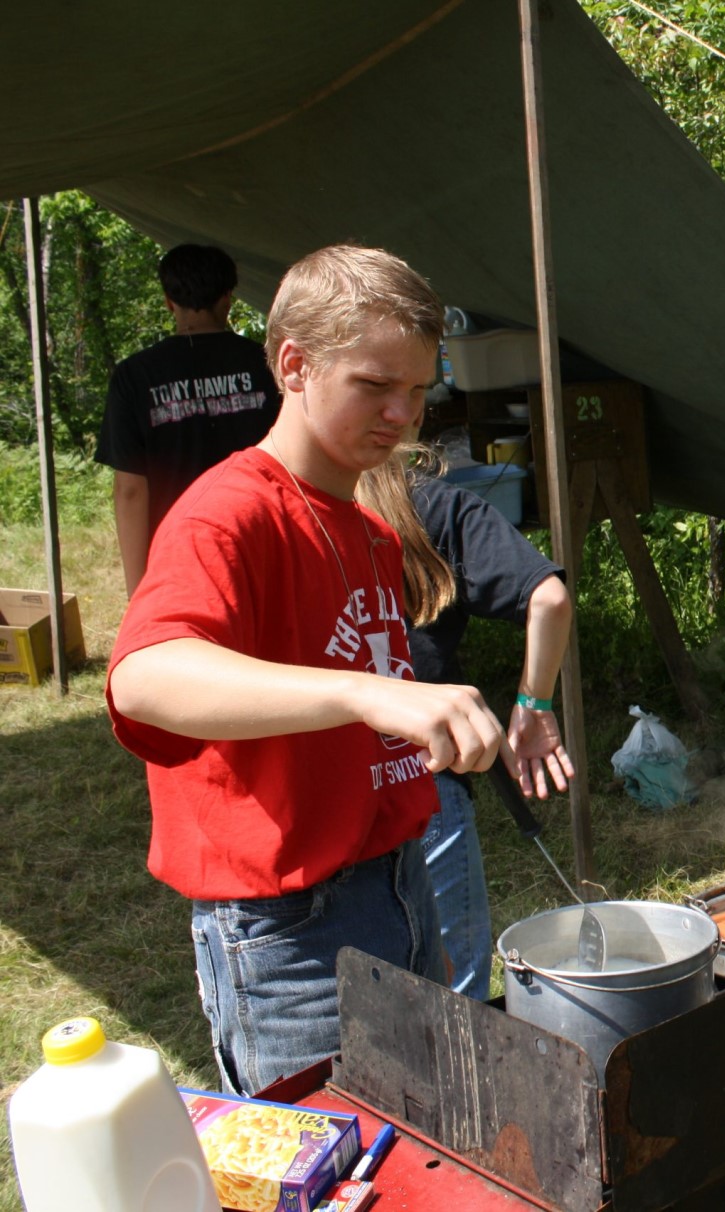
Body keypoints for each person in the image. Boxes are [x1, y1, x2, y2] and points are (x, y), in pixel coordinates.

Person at [106, 245, 506, 1096]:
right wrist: (366, 691)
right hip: (290, 932)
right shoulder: (229, 512)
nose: (401, 414)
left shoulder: (369, 528)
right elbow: (145, 673)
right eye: (374, 385)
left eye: (417, 390)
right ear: (294, 365)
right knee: (329, 1156)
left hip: (397, 881)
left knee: (422, 1134)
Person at [357, 446, 575, 1000]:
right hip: (425, 775)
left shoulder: (288, 509)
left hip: (327, 781)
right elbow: (549, 600)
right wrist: (533, 703)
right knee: (454, 997)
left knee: (361, 995)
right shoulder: (434, 503)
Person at [95, 243, 282, 596]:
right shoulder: (268, 365)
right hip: (261, 543)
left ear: (169, 301)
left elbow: (130, 489)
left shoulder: (134, 375)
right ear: (227, 299)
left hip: (177, 556)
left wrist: (138, 593)